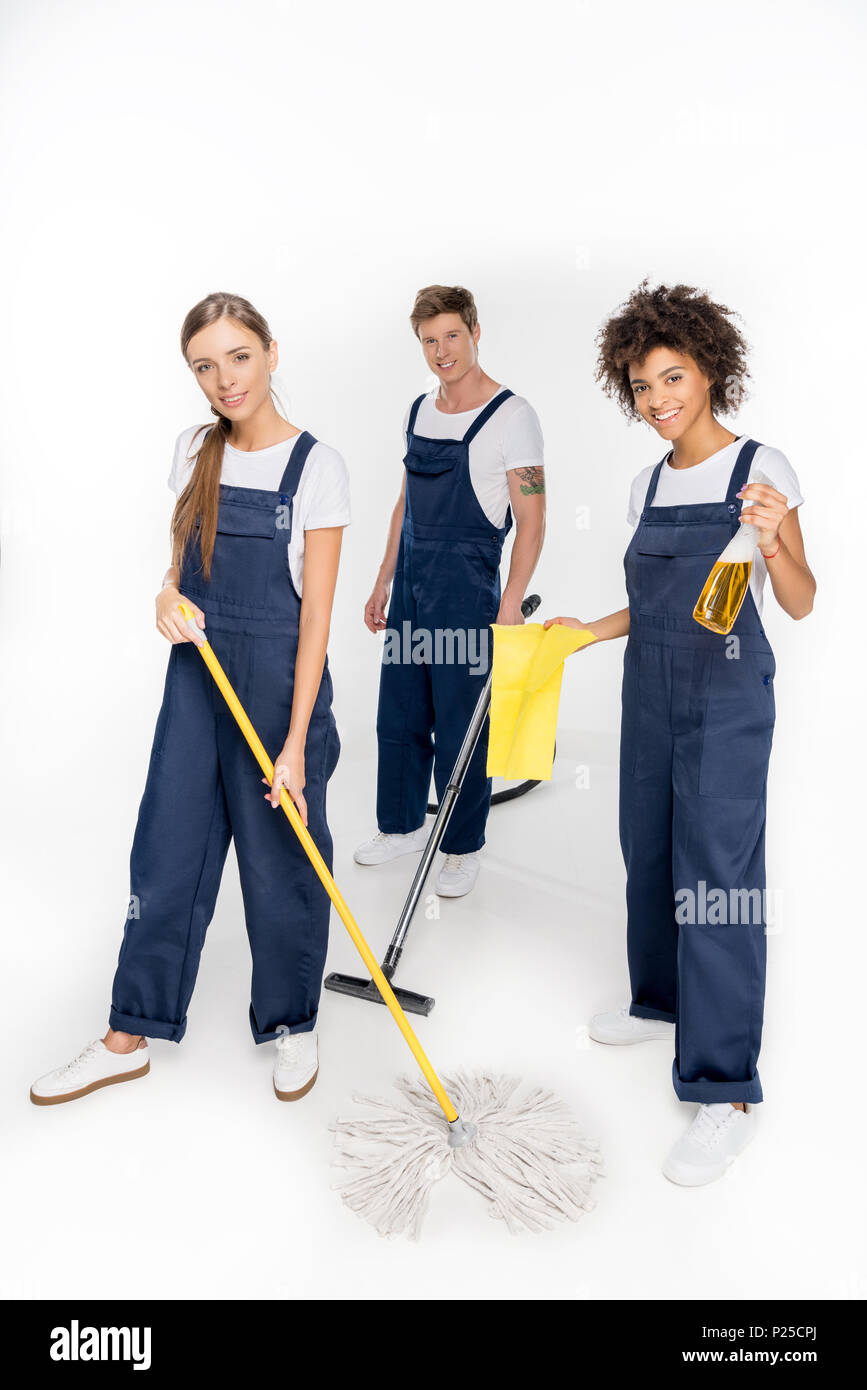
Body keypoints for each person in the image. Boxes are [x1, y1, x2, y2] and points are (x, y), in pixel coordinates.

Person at [31, 292, 350, 1106]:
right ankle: (128, 1031)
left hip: (282, 688)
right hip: (196, 680)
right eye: (204, 366)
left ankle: (293, 1021)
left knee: (283, 865)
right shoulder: (194, 449)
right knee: (165, 849)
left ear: (271, 352)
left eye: (238, 357)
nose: (223, 380)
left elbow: (316, 619)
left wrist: (293, 744)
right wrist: (164, 596)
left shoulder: (317, 467)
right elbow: (178, 568)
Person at [546, 279, 815, 1185]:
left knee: (719, 878)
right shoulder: (646, 481)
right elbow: (653, 603)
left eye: (672, 378)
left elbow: (800, 602)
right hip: (648, 690)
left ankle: (724, 1088)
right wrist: (587, 630)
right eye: (640, 387)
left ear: (710, 371)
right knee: (650, 852)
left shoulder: (760, 467)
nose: (657, 401)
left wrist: (774, 537)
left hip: (729, 699)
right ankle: (658, 999)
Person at [355, 285, 546, 897]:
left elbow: (533, 522)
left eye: (452, 336)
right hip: (411, 585)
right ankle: (403, 825)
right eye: (429, 341)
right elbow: (404, 503)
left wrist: (512, 600)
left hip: (467, 590)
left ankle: (462, 847)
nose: (442, 351)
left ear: (475, 331)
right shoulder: (419, 411)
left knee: (463, 722)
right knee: (401, 711)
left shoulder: (514, 417)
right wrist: (384, 578)